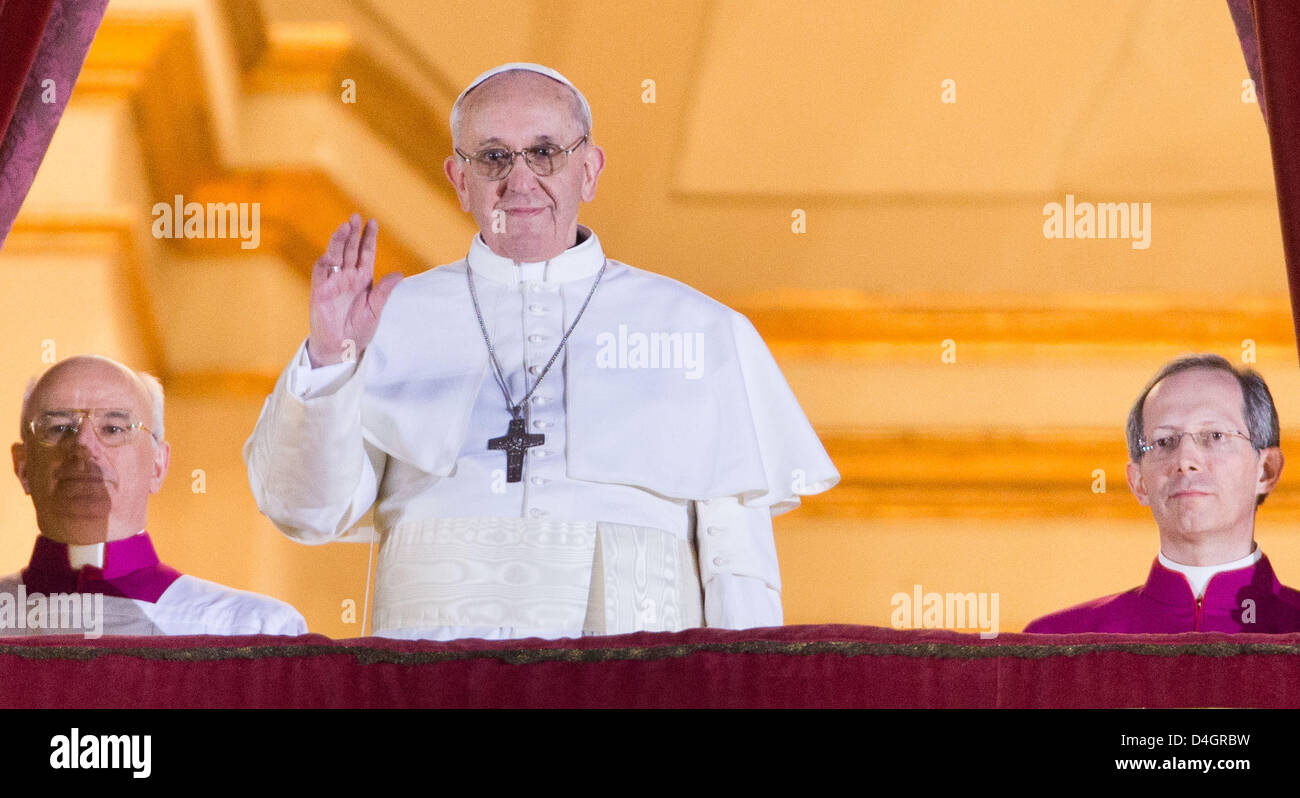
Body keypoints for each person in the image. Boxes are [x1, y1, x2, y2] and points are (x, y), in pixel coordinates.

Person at [244, 62, 838, 641]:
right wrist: (329, 357)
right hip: (435, 675)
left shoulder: (700, 330)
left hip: (636, 677)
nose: (521, 181)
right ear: (458, 179)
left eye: (546, 151)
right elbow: (307, 513)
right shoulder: (385, 320)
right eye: (494, 156)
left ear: (590, 169)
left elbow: (739, 565)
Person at [0, 355, 307, 637]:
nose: (84, 445)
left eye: (114, 428)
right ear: (23, 466)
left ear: (158, 464)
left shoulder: (252, 629)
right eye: (59, 427)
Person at [1025, 354, 1300, 633]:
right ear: (1139, 483)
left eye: (1215, 436)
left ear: (1266, 470)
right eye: (1164, 441)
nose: (1185, 460)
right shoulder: (1057, 644)